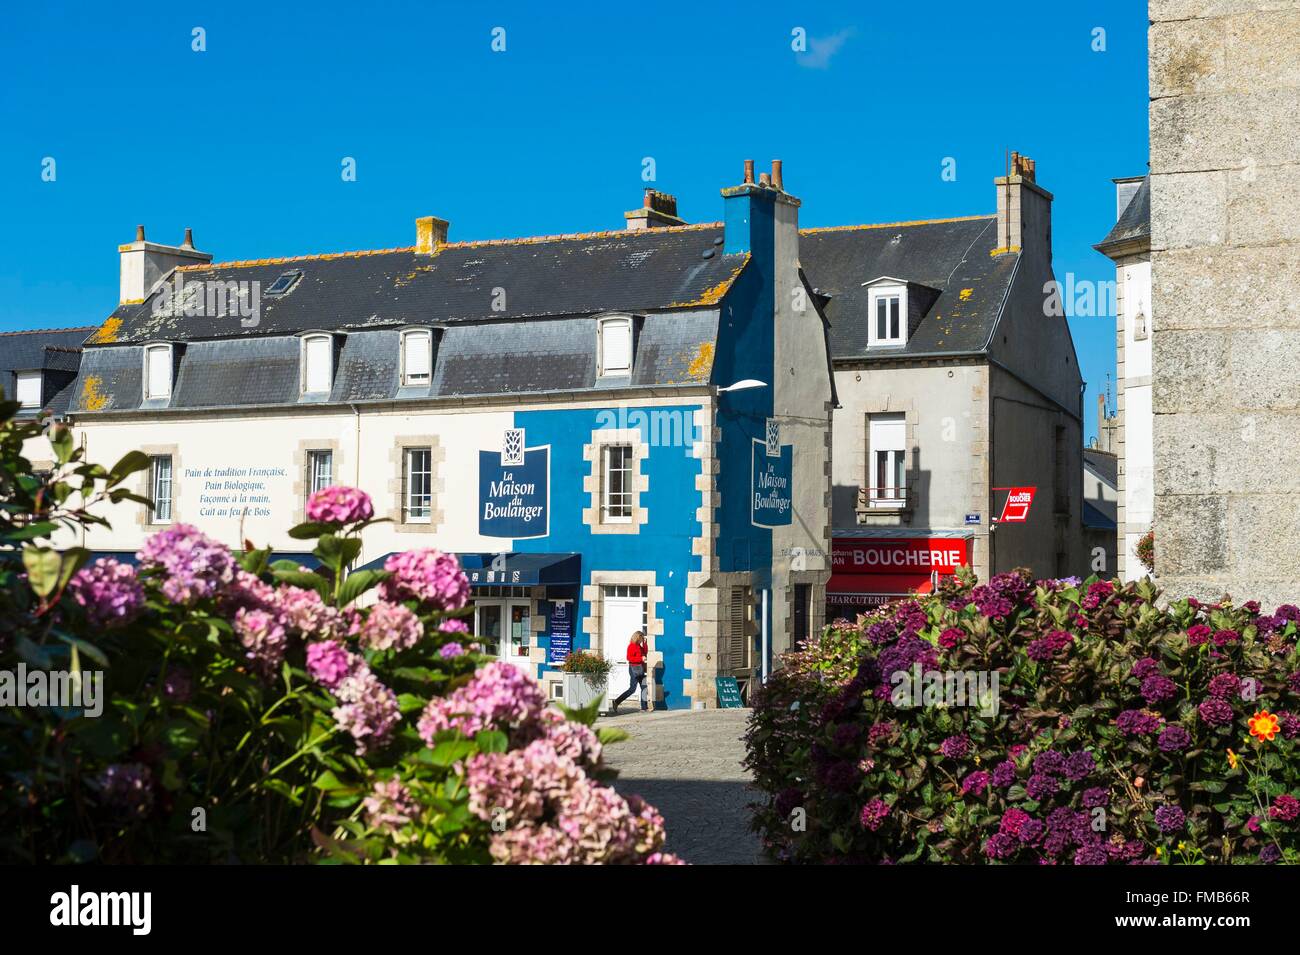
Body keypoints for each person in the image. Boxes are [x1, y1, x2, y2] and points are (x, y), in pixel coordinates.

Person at [609, 631, 649, 714]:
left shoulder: (638, 646)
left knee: (644, 688)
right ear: (638, 637)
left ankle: (644, 708)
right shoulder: (631, 646)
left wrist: (645, 644)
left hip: (641, 669)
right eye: (642, 638)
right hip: (634, 669)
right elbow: (629, 658)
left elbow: (644, 653)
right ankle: (616, 702)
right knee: (632, 689)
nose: (642, 640)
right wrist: (640, 659)